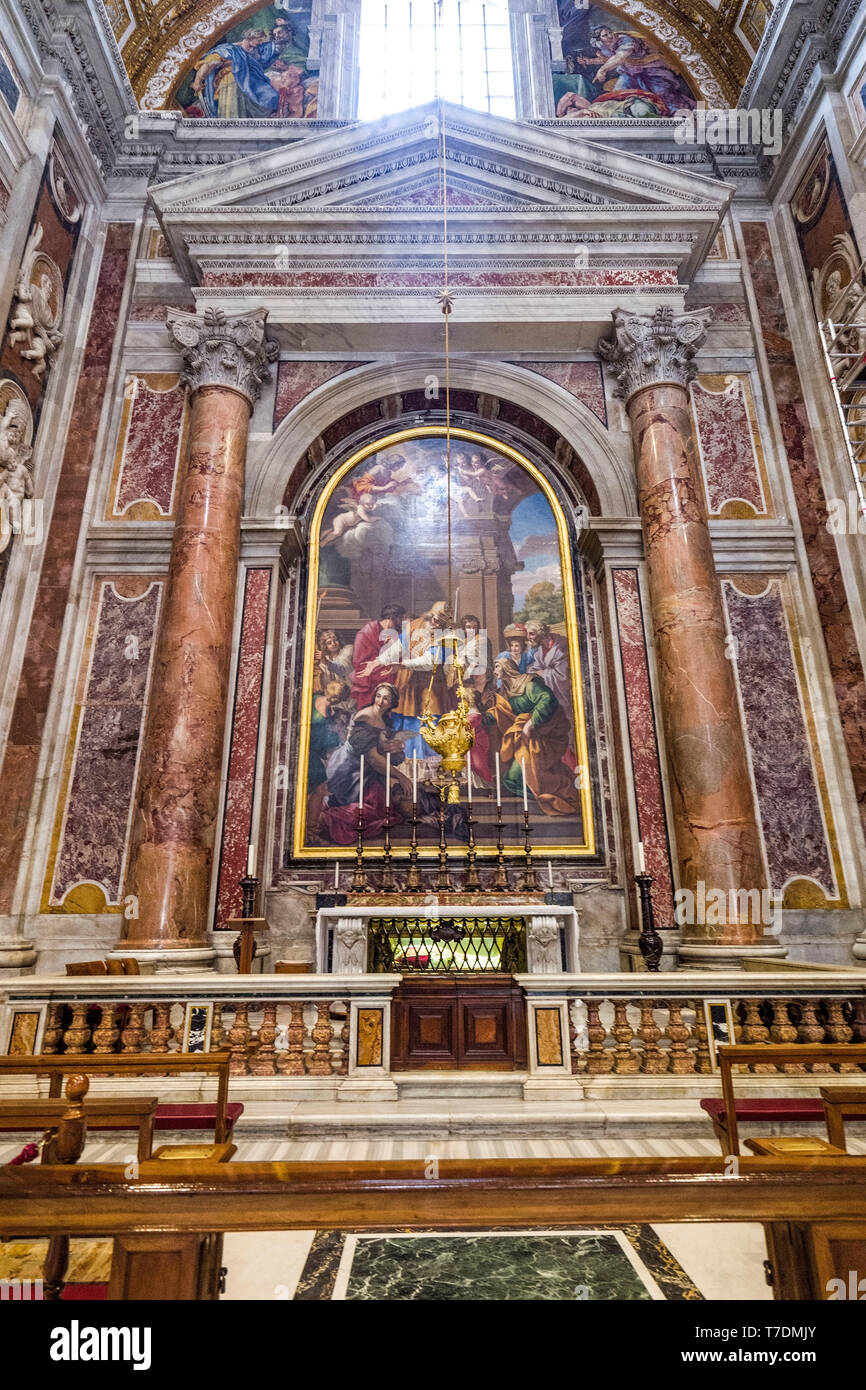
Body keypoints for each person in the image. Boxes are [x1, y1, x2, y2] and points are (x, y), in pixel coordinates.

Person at [320, 683, 412, 844]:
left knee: (383, 807)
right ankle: (325, 818)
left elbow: (382, 748)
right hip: (348, 771)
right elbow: (374, 759)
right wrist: (401, 777)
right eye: (378, 696)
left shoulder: (384, 719)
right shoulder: (365, 718)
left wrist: (397, 745)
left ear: (392, 703)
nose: (380, 701)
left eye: (385, 698)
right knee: (368, 809)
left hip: (365, 772)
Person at [490, 658, 577, 816]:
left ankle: (547, 794)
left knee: (517, 773)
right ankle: (533, 796)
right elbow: (500, 712)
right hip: (523, 736)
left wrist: (531, 723)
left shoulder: (528, 683)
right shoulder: (504, 691)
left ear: (507, 668)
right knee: (512, 775)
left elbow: (547, 699)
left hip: (545, 732)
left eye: (497, 667)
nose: (495, 671)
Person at [575, 25, 696, 110]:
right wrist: (589, 61)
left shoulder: (626, 40)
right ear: (599, 40)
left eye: (610, 32)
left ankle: (682, 114)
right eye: (605, 35)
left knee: (664, 96)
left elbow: (620, 57)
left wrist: (602, 70)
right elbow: (607, 59)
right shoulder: (605, 47)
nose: (610, 36)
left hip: (650, 72)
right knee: (618, 97)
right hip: (629, 75)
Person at [307, 679, 350, 837]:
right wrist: (337, 737)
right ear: (337, 699)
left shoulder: (312, 699)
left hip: (308, 752)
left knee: (314, 789)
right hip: (310, 753)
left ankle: (309, 824)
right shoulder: (325, 710)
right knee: (320, 789)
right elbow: (320, 739)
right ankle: (311, 826)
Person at [351, 603, 405, 709]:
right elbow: (359, 663)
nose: (401, 624)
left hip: (389, 677)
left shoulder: (396, 633)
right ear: (391, 619)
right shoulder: (365, 634)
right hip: (370, 681)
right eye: (399, 620)